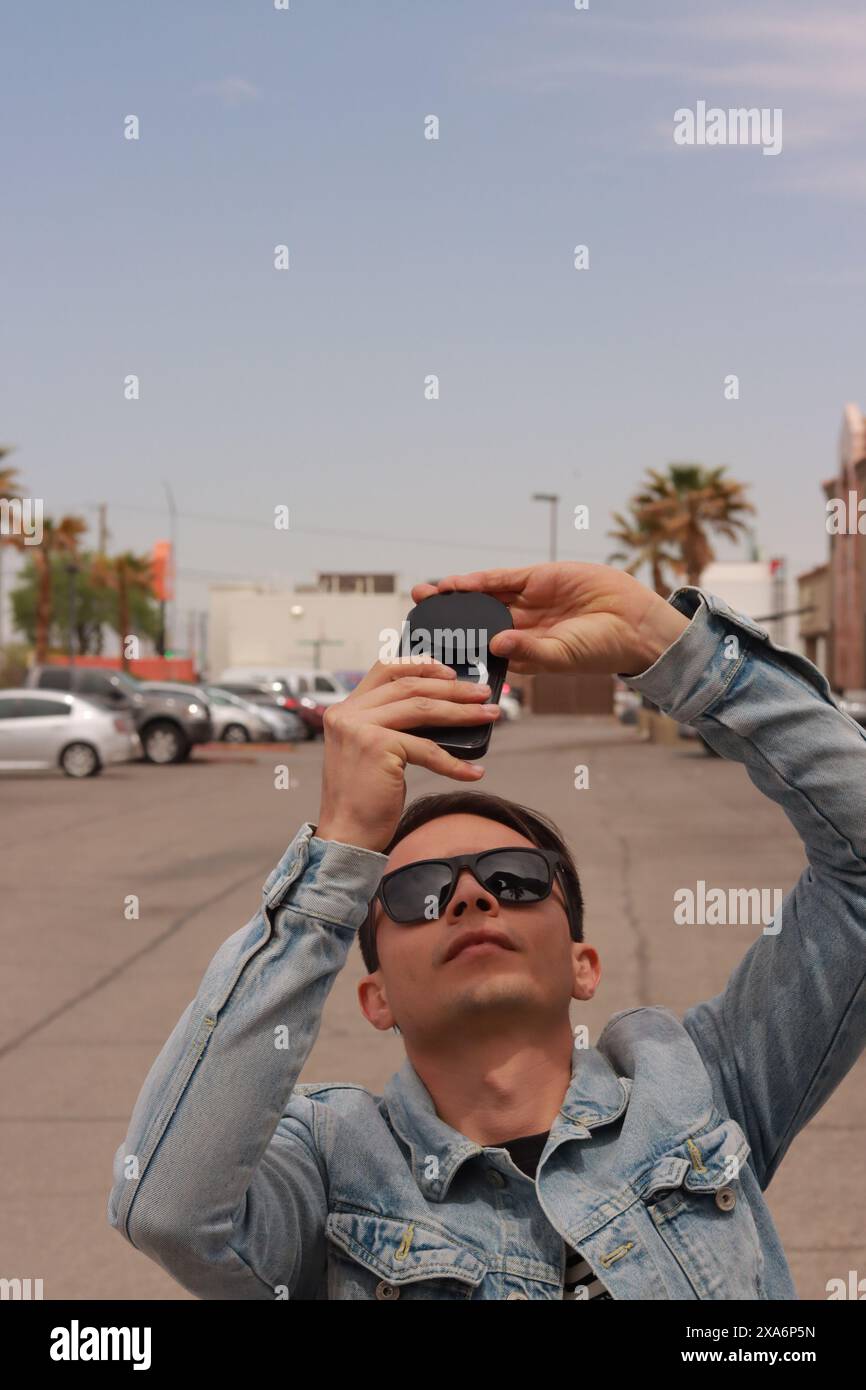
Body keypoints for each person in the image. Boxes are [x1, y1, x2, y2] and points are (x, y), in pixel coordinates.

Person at [108, 561, 866, 1299]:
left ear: (583, 964)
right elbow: (168, 1212)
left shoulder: (699, 1086)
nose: (471, 895)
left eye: (515, 878)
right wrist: (340, 848)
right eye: (417, 893)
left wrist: (665, 642)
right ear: (375, 997)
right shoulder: (332, 1168)